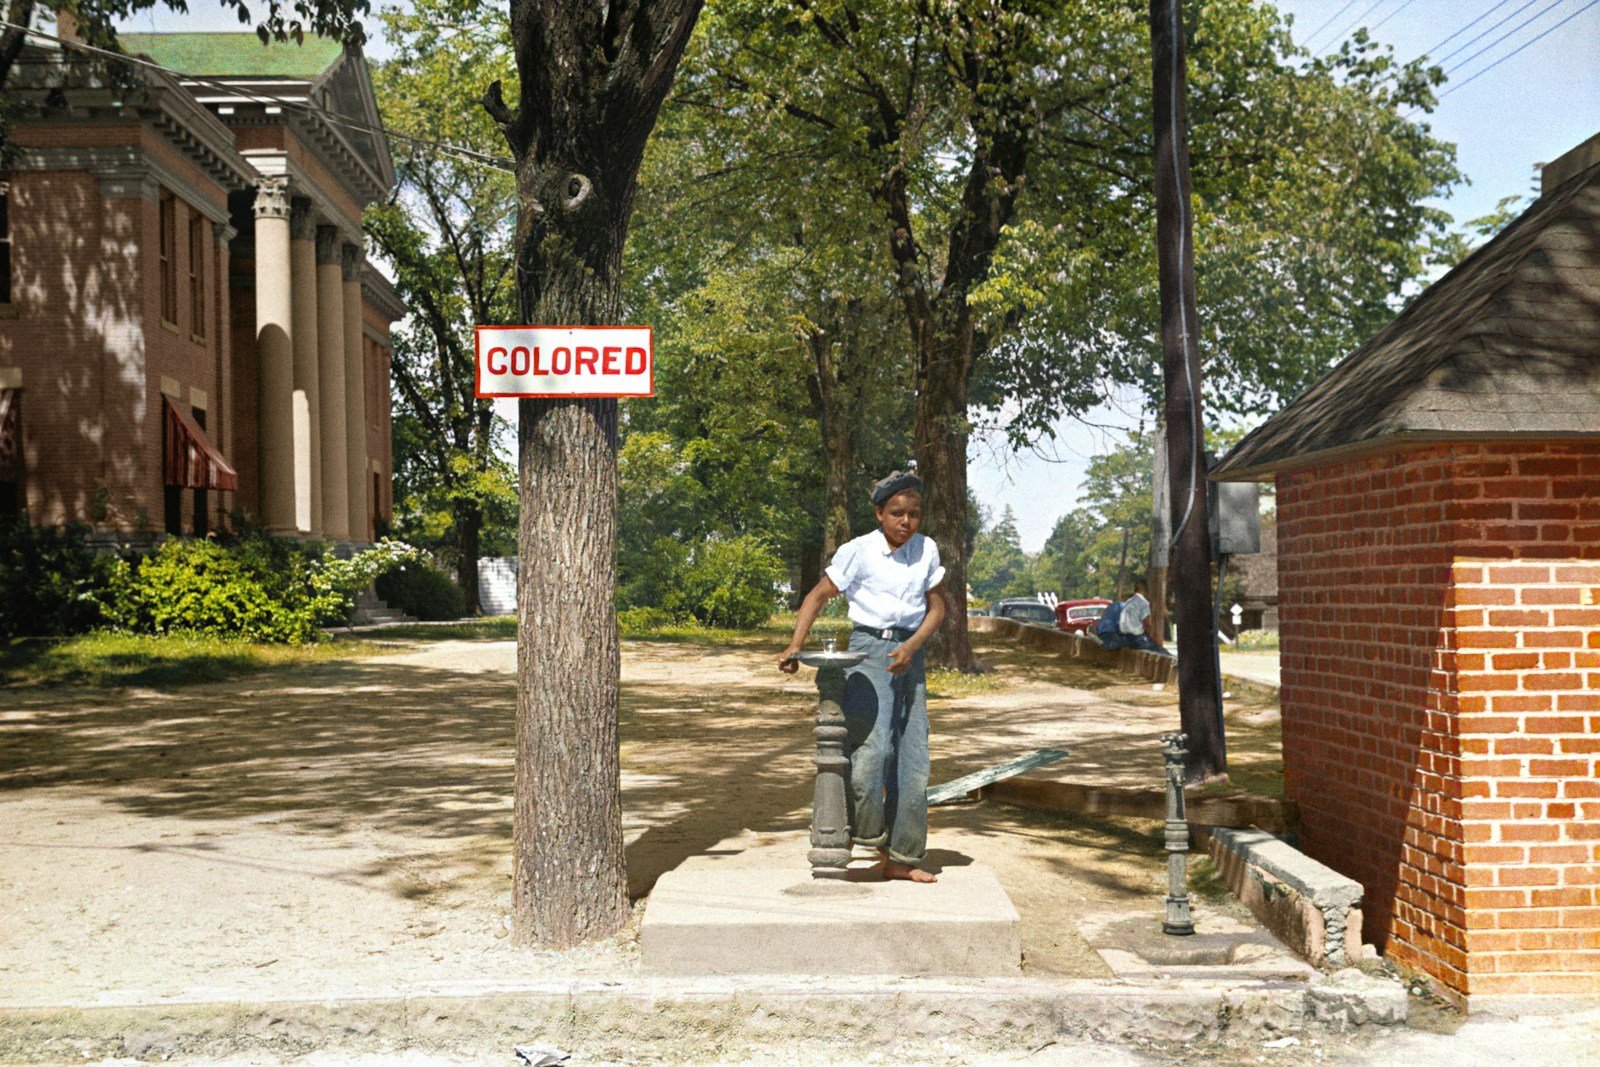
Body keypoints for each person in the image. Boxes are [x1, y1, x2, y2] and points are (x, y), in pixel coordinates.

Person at [779, 469, 948, 884]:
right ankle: (870, 837)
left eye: (914, 514)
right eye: (896, 514)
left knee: (913, 759)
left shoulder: (926, 551)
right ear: (879, 513)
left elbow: (938, 608)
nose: (906, 522)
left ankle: (903, 857)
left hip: (911, 653)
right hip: (868, 651)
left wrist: (912, 647)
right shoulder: (859, 551)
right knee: (870, 755)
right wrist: (794, 646)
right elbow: (817, 596)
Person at [1102, 576, 1170, 655]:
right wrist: (1155, 639)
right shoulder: (1143, 602)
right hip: (1136, 638)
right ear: (1146, 590)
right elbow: (1147, 625)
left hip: (1126, 638)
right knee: (1161, 651)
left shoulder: (1129, 601)